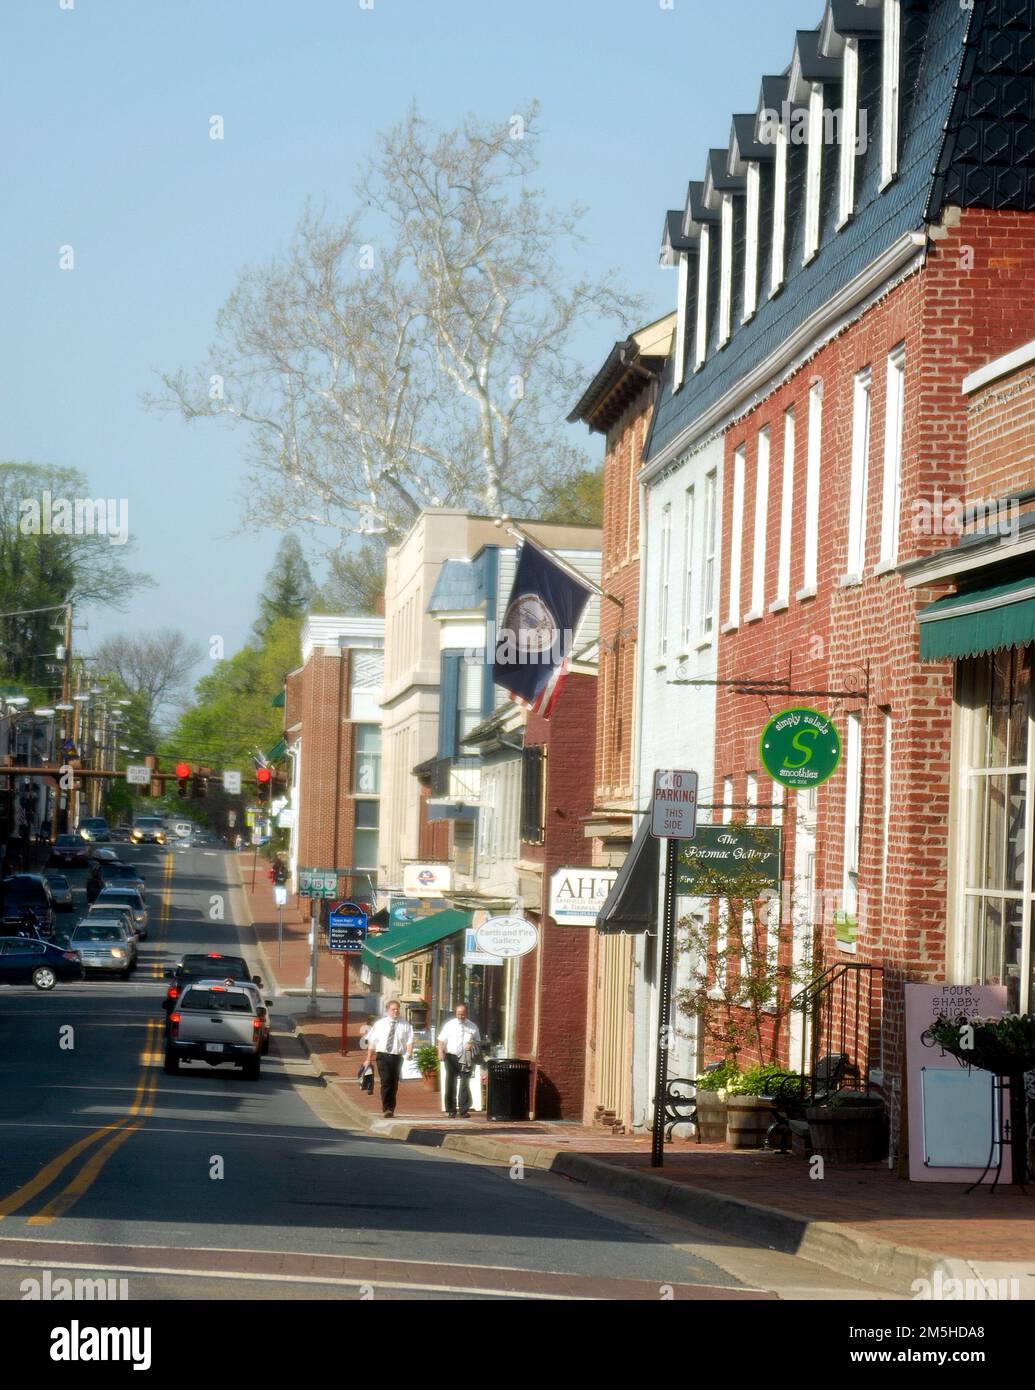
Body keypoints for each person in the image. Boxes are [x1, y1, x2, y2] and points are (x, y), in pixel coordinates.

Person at [364, 998, 414, 1118]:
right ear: (387, 1011)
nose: (396, 1011)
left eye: (397, 1009)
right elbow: (372, 1042)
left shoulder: (405, 1025)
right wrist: (368, 1059)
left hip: (397, 1057)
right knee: (386, 1081)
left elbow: (410, 1041)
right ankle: (387, 1108)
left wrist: (409, 1052)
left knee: (393, 1083)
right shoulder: (380, 1024)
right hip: (382, 1056)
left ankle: (391, 1107)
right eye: (393, 1009)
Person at [437, 1003, 482, 1119]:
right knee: (450, 1082)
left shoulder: (472, 1026)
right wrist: (440, 1052)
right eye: (458, 1014)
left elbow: (478, 1042)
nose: (460, 1016)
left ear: (466, 1013)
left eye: (462, 1014)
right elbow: (441, 1040)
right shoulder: (449, 1025)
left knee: (465, 1083)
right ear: (455, 1013)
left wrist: (472, 1044)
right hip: (451, 1056)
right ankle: (451, 1110)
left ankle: (463, 1109)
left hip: (466, 1057)